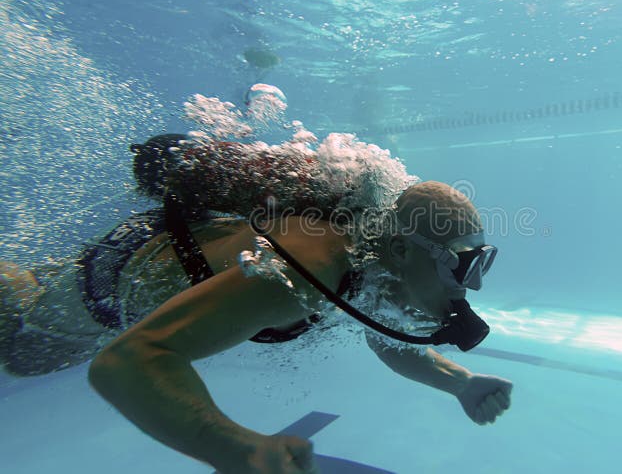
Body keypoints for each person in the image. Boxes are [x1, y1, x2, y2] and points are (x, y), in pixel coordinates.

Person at [0, 133, 514, 474]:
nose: (471, 287)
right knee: (20, 350)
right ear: (404, 249)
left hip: (153, 261)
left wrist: (460, 383)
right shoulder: (302, 272)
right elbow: (126, 362)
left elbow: (387, 339)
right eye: (459, 265)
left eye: (480, 263)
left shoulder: (378, 262)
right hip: (109, 287)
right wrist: (238, 448)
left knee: (29, 338)